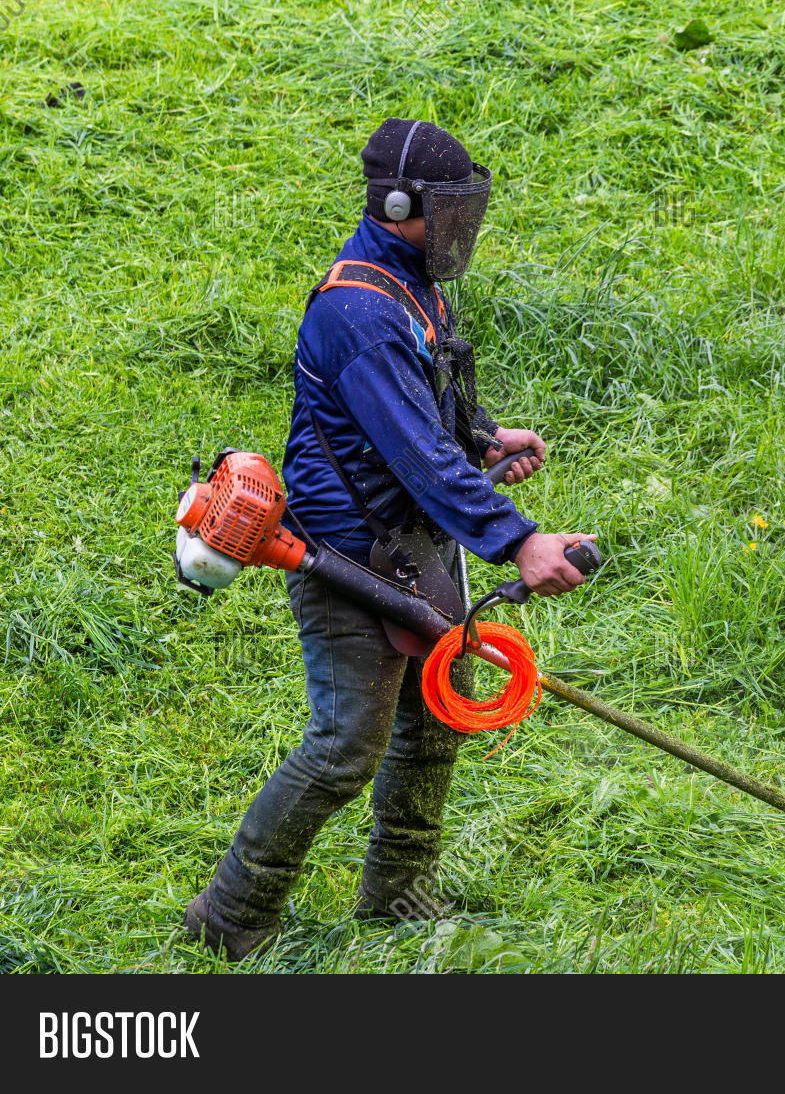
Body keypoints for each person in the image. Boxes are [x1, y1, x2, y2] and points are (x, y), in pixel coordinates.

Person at [184, 118, 594, 960]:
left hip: (416, 545)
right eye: (444, 213)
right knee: (343, 750)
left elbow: (427, 413)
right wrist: (519, 542)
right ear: (397, 204)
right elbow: (413, 456)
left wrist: (482, 439)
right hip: (347, 556)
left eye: (465, 211)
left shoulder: (413, 285)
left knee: (433, 723)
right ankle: (227, 915)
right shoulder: (360, 313)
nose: (460, 231)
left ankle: (397, 890)